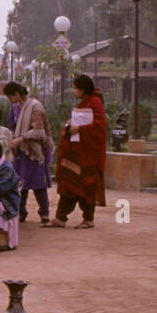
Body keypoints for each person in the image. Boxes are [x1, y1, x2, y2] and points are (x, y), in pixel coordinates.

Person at [51, 74, 106, 229]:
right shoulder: (84, 102)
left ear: (83, 89)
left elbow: (99, 128)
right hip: (75, 152)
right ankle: (60, 217)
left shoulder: (95, 103)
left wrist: (79, 129)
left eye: (75, 88)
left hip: (87, 155)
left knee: (87, 185)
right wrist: (71, 124)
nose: (73, 90)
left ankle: (88, 219)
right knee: (68, 183)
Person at [5, 82, 54, 224]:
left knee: (38, 183)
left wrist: (22, 138)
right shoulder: (14, 107)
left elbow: (39, 131)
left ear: (17, 94)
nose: (10, 100)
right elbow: (12, 125)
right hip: (19, 151)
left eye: (10, 97)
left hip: (33, 150)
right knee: (20, 184)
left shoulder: (35, 106)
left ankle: (44, 214)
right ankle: (21, 212)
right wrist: (14, 135)